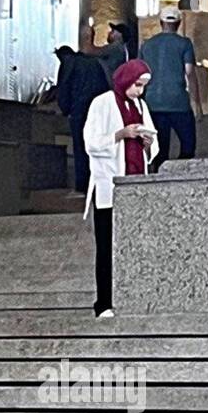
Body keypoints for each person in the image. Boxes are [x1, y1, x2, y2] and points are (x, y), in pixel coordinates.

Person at [84, 60, 157, 320]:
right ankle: (104, 302)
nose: (139, 91)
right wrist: (120, 134)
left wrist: (147, 143)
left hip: (136, 184)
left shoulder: (140, 106)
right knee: (106, 247)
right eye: (137, 85)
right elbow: (91, 143)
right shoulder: (102, 103)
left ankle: (134, 297)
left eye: (143, 87)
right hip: (109, 187)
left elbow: (153, 147)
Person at [140, 7, 203, 170]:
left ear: (161, 23)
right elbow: (189, 73)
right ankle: (181, 174)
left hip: (153, 102)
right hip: (178, 102)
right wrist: (197, 103)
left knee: (160, 148)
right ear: (179, 23)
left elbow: (140, 75)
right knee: (188, 144)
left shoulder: (147, 45)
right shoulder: (184, 44)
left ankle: (160, 177)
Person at [55, 44, 110, 195]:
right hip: (98, 111)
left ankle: (83, 185)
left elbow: (64, 88)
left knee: (80, 147)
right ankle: (100, 182)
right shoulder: (94, 62)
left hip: (80, 110)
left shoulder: (68, 63)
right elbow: (106, 86)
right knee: (99, 147)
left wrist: (65, 109)